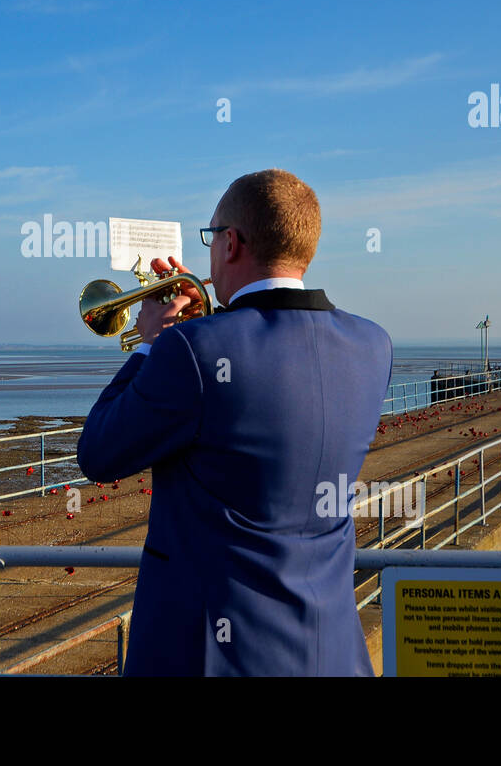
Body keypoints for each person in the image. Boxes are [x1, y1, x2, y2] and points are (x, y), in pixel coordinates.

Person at [77, 168, 392, 676]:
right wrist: (204, 332)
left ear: (230, 243)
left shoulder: (189, 351)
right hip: (330, 653)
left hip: (212, 659)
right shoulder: (372, 345)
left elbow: (98, 452)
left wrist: (155, 343)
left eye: (210, 237)